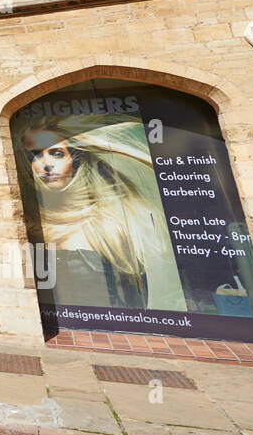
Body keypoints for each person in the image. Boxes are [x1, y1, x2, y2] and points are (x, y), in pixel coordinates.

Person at [13, 112, 185, 311]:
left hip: (114, 317)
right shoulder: (31, 223)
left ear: (75, 160)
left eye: (57, 153)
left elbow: (135, 292)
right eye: (35, 155)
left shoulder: (109, 224)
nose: (47, 165)